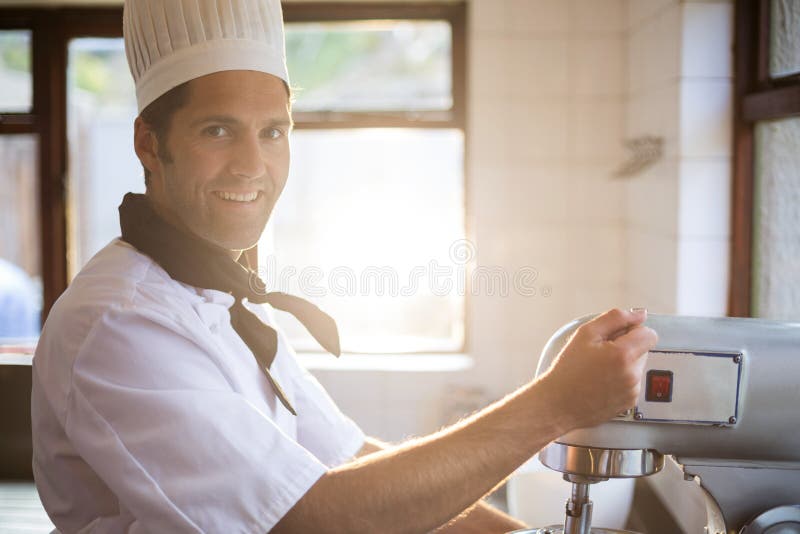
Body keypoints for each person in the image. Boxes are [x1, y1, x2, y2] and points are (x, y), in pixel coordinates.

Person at [31, 0, 658, 532]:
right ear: (149, 142)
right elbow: (312, 518)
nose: (253, 165)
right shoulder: (120, 320)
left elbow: (350, 459)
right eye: (218, 130)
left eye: (273, 132)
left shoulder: (225, 302)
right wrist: (554, 405)